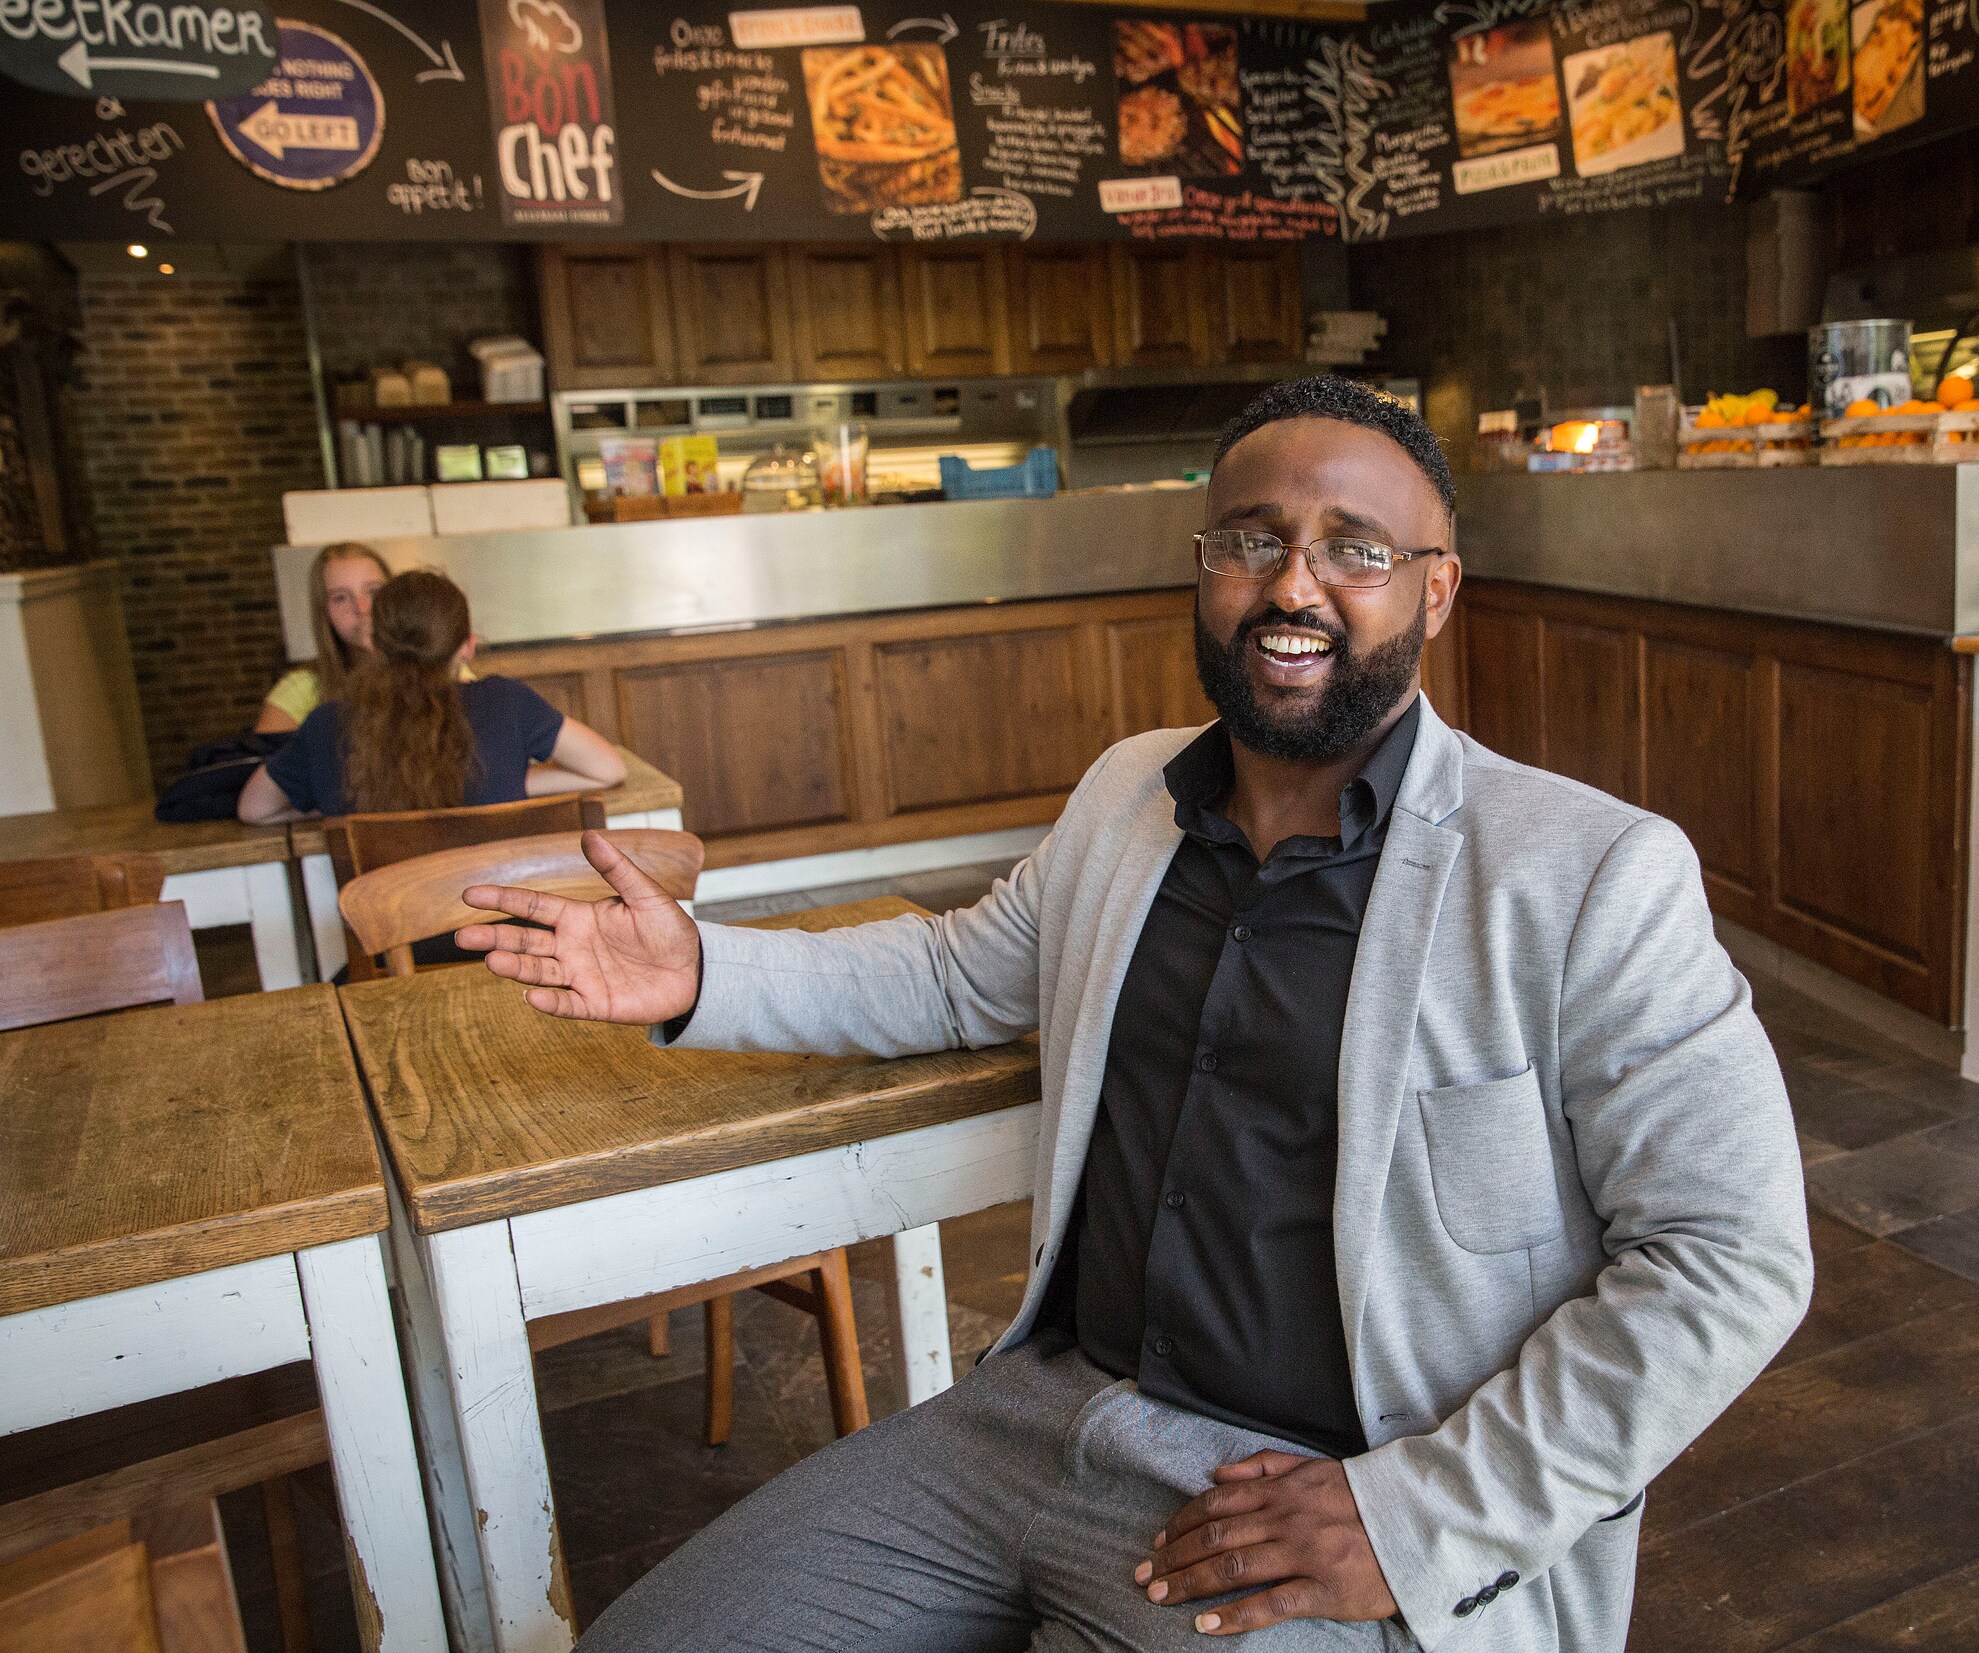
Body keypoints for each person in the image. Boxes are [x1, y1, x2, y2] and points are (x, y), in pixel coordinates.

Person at [460, 376, 1811, 1653]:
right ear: (1202, 567)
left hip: (1317, 1490)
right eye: (1253, 540)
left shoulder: (1585, 873)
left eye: (1355, 548)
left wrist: (1420, 1513)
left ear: (1436, 590)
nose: (1294, 584)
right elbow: (950, 976)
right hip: (1033, 1418)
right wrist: (701, 969)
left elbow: (1731, 1252)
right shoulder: (1125, 799)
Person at [239, 568, 625, 824]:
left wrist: (320, 800)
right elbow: (607, 769)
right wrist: (512, 780)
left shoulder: (327, 724)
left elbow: (253, 809)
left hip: (389, 943)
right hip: (502, 937)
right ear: (468, 646)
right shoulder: (506, 704)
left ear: (376, 645)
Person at [256, 541, 389, 734]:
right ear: (324, 613)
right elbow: (268, 762)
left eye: (373, 591)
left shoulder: (433, 671)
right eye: (340, 598)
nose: (362, 608)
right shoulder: (302, 689)